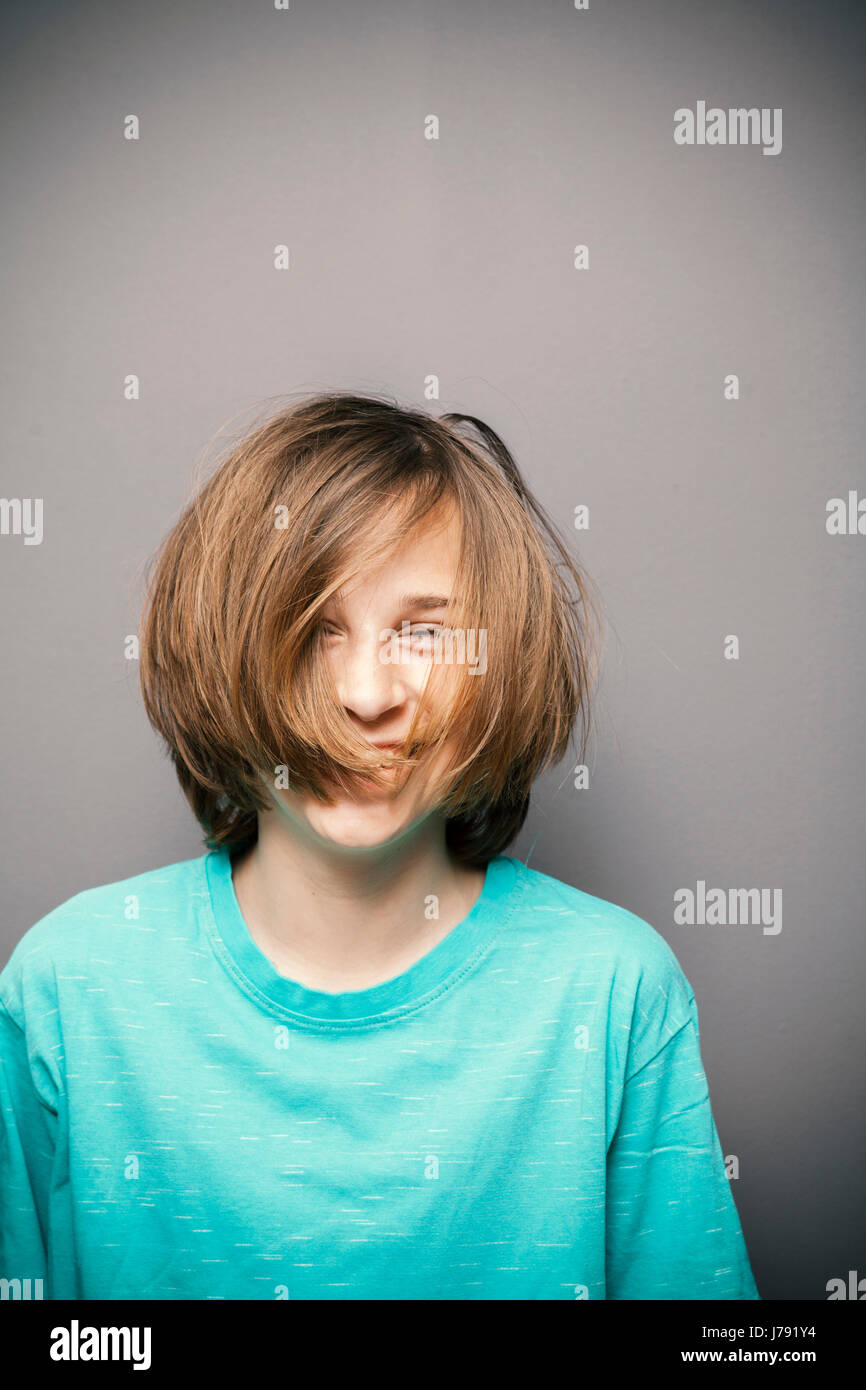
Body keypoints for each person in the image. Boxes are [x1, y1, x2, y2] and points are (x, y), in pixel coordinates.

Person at [0, 392, 759, 1300]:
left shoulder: (614, 994)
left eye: (425, 631)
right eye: (315, 631)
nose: (367, 694)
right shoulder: (66, 993)